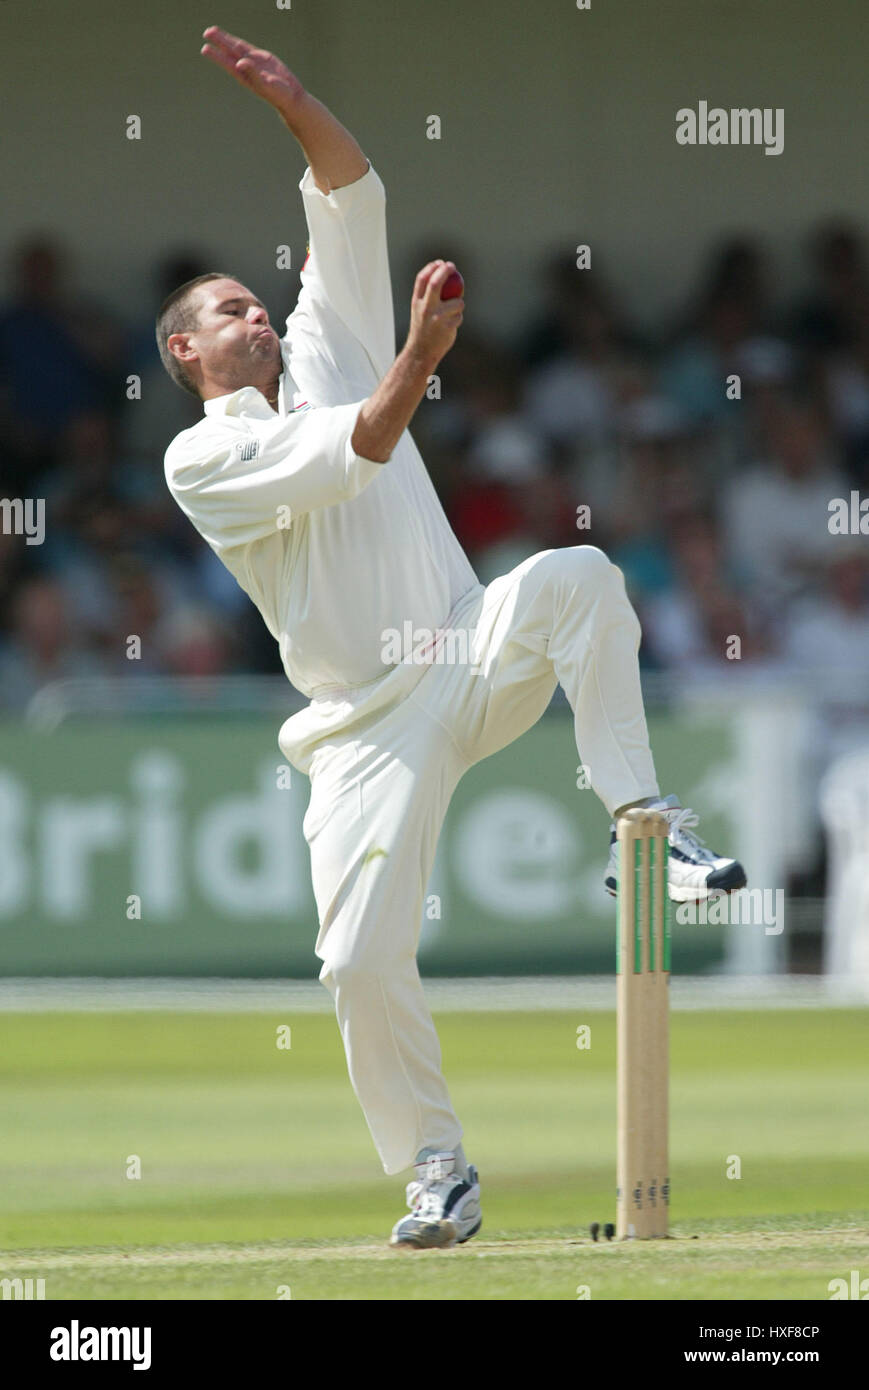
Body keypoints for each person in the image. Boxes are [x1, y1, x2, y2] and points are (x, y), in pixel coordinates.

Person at [158, 27, 746, 1250]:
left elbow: (348, 189)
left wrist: (295, 99)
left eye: (255, 298)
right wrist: (423, 359)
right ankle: (438, 1170)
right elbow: (363, 446)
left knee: (581, 573)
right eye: (225, 309)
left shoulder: (331, 336)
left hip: (463, 647)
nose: (253, 311)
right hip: (363, 724)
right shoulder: (201, 456)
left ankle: (643, 825)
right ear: (186, 351)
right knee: (357, 965)